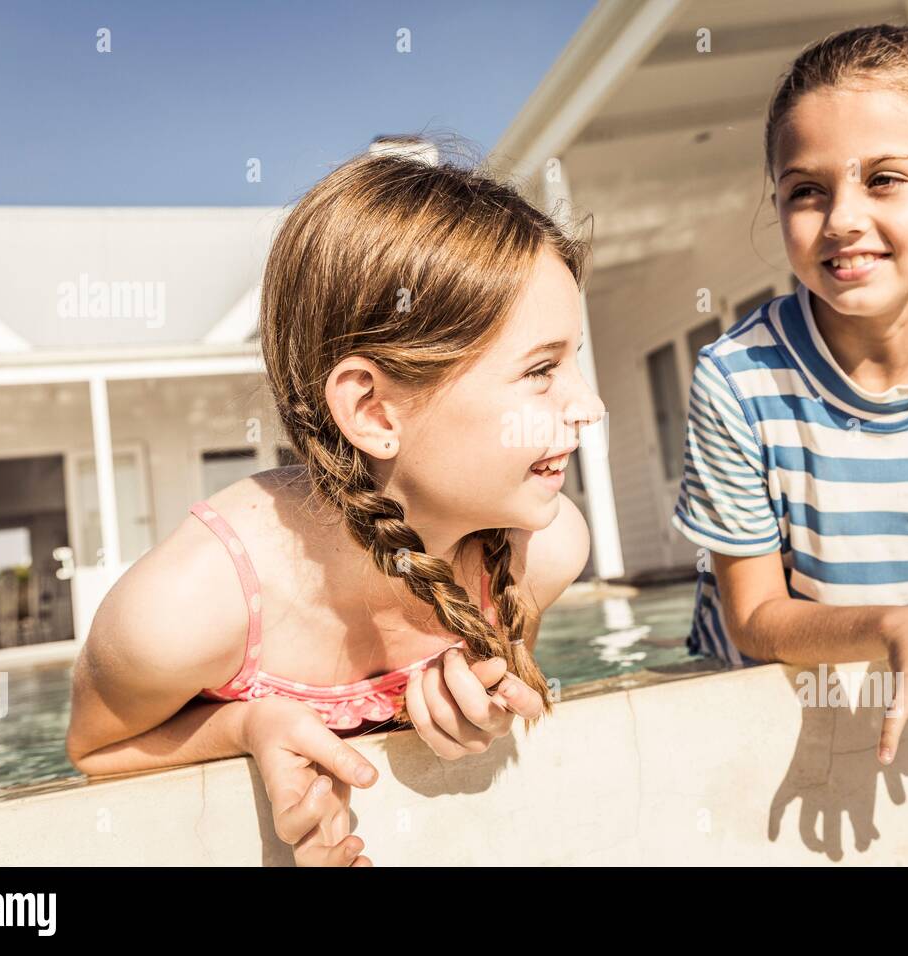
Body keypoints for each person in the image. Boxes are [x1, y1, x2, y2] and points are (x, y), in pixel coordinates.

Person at [67, 149, 604, 866]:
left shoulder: (547, 550)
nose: (589, 408)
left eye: (574, 360)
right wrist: (245, 727)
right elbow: (92, 748)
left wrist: (482, 708)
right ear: (374, 409)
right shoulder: (186, 606)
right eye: (540, 371)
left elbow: (501, 684)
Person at [672, 25, 908, 795]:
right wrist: (906, 625)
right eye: (806, 190)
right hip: (743, 698)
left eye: (884, 179)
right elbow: (755, 618)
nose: (840, 218)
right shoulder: (737, 378)